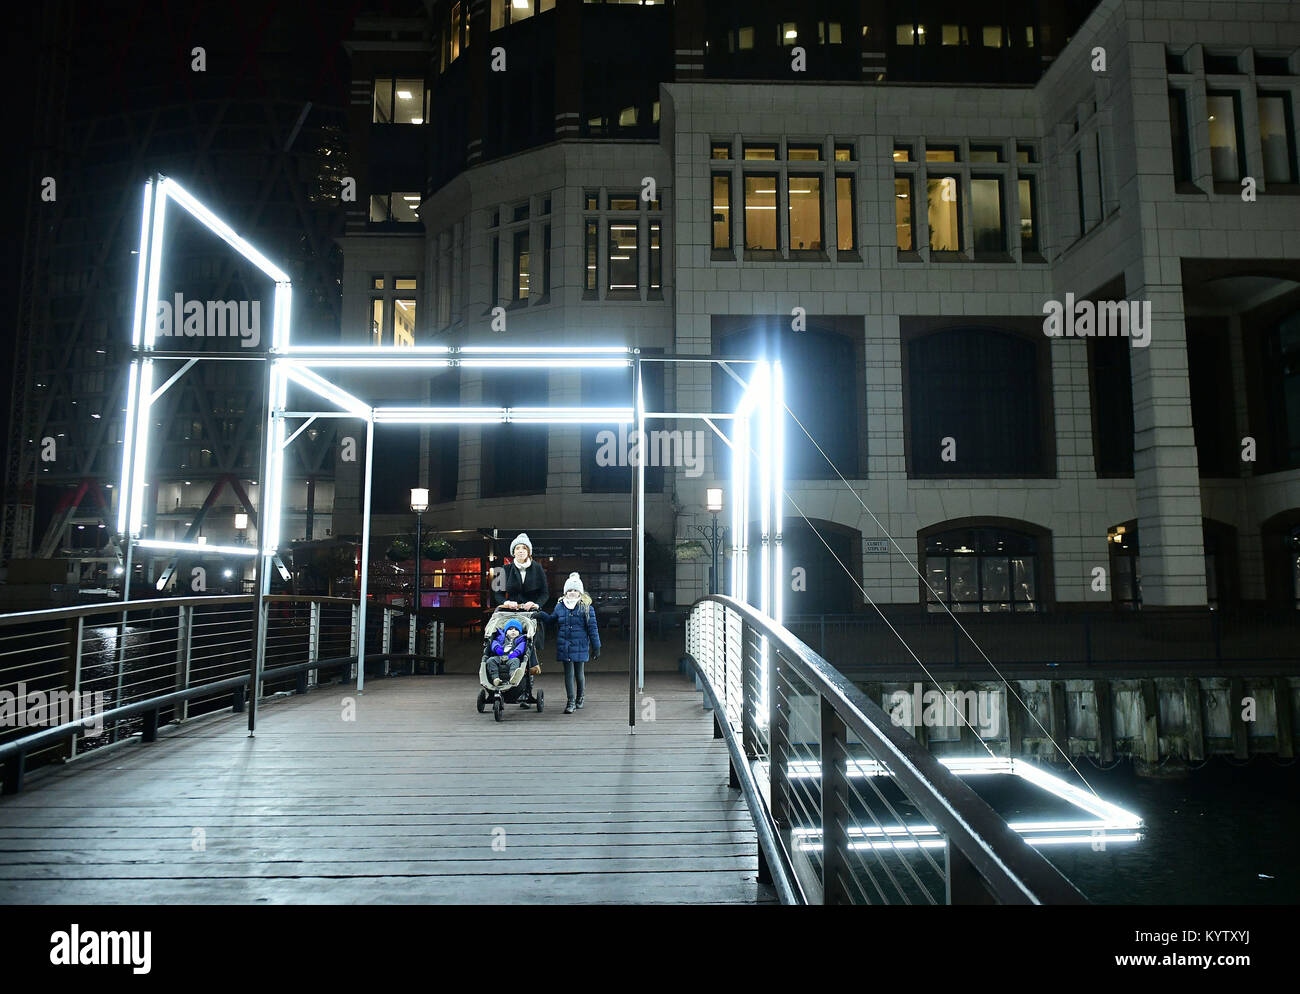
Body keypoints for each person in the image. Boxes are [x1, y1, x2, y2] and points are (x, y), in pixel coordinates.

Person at [496, 532, 549, 707]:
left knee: (527, 648)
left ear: (528, 552)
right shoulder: (503, 569)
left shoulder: (538, 568)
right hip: (510, 614)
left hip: (530, 615)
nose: (520, 551)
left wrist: (535, 604)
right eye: (517, 548)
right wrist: (506, 602)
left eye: (524, 548)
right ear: (513, 552)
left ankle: (526, 692)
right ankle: (504, 685)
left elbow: (545, 593)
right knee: (508, 646)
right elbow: (495, 593)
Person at [538, 572, 601, 715]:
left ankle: (580, 697)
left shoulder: (586, 608)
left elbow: (593, 629)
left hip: (580, 645)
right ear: (565, 592)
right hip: (565, 646)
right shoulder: (560, 607)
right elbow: (551, 620)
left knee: (579, 673)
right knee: (568, 674)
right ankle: (571, 701)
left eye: (575, 590)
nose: (572, 593)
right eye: (569, 590)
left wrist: (596, 646)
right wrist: (541, 615)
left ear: (580, 592)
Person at [486, 619, 528, 686]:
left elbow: (521, 646)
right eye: (510, 629)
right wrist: (497, 648)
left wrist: (516, 652)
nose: (513, 631)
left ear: (519, 633)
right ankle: (495, 678)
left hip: (512, 657)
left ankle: (513, 676)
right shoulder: (501, 638)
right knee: (490, 660)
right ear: (506, 632)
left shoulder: (521, 639)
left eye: (516, 629)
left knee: (516, 661)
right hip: (499, 657)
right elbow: (494, 642)